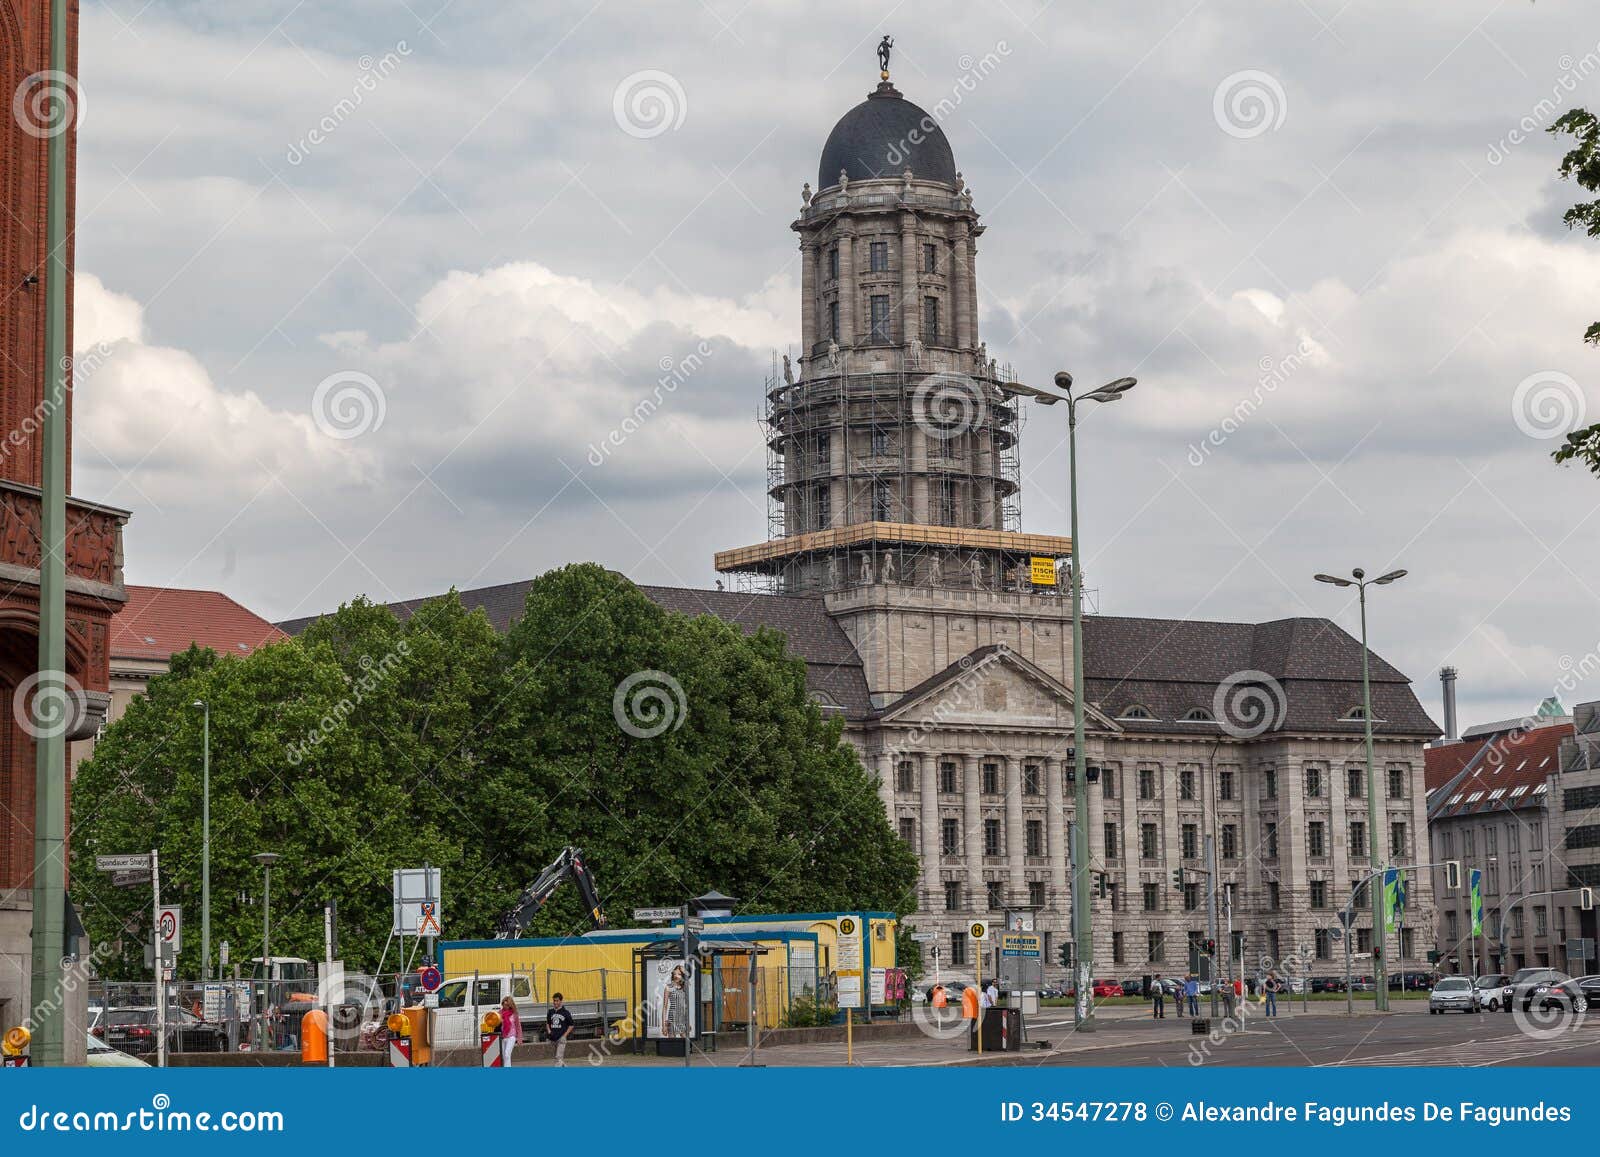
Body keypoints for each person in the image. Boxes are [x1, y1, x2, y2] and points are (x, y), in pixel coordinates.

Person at [546, 992, 574, 1067]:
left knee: (558, 1057)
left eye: (557, 1000)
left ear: (561, 1001)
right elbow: (548, 1023)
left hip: (561, 1038)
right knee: (558, 1058)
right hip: (553, 1038)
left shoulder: (566, 1012)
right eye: (554, 1000)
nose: (555, 1002)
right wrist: (549, 1031)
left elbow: (571, 1025)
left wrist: (564, 1036)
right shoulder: (550, 1012)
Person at [498, 994, 522, 1067]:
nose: (505, 1006)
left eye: (507, 1005)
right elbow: (495, 1023)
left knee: (507, 1054)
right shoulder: (499, 1013)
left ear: (510, 1005)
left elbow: (518, 1026)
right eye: (504, 1004)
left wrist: (519, 1038)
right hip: (503, 1036)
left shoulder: (514, 1014)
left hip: (511, 1036)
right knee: (504, 1056)